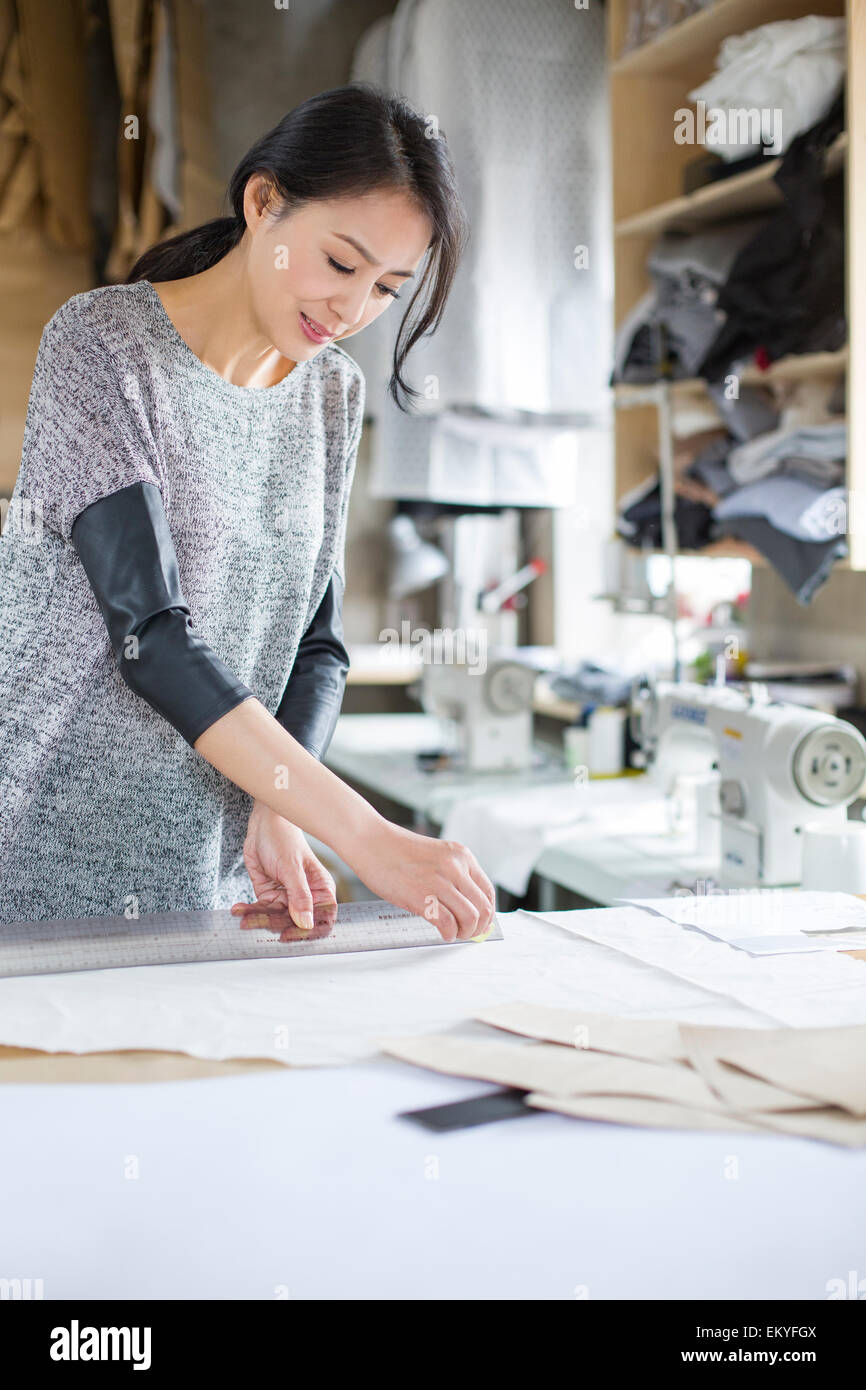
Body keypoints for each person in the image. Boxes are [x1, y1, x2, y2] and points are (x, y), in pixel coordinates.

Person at [0, 83, 495, 942]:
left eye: (387, 287)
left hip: (207, 868)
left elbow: (317, 643)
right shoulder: (105, 347)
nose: (353, 312)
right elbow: (150, 637)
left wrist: (281, 805)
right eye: (342, 264)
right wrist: (368, 836)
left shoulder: (333, 394)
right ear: (263, 202)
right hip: (36, 844)